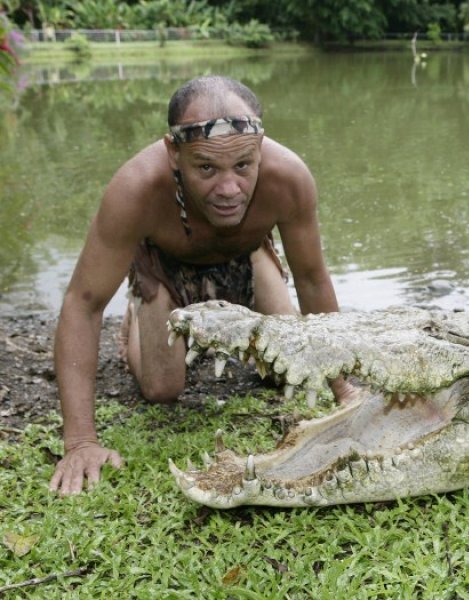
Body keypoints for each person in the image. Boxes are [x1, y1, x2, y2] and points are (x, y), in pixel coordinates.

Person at [49, 75, 351, 496]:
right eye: (206, 167)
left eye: (243, 165)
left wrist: (346, 392)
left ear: (260, 147)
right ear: (174, 152)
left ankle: (247, 280)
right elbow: (83, 302)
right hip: (163, 267)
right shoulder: (136, 188)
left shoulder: (289, 178)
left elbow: (313, 279)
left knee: (292, 370)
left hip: (246, 257)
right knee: (162, 390)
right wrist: (80, 442)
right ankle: (138, 318)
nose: (228, 189)